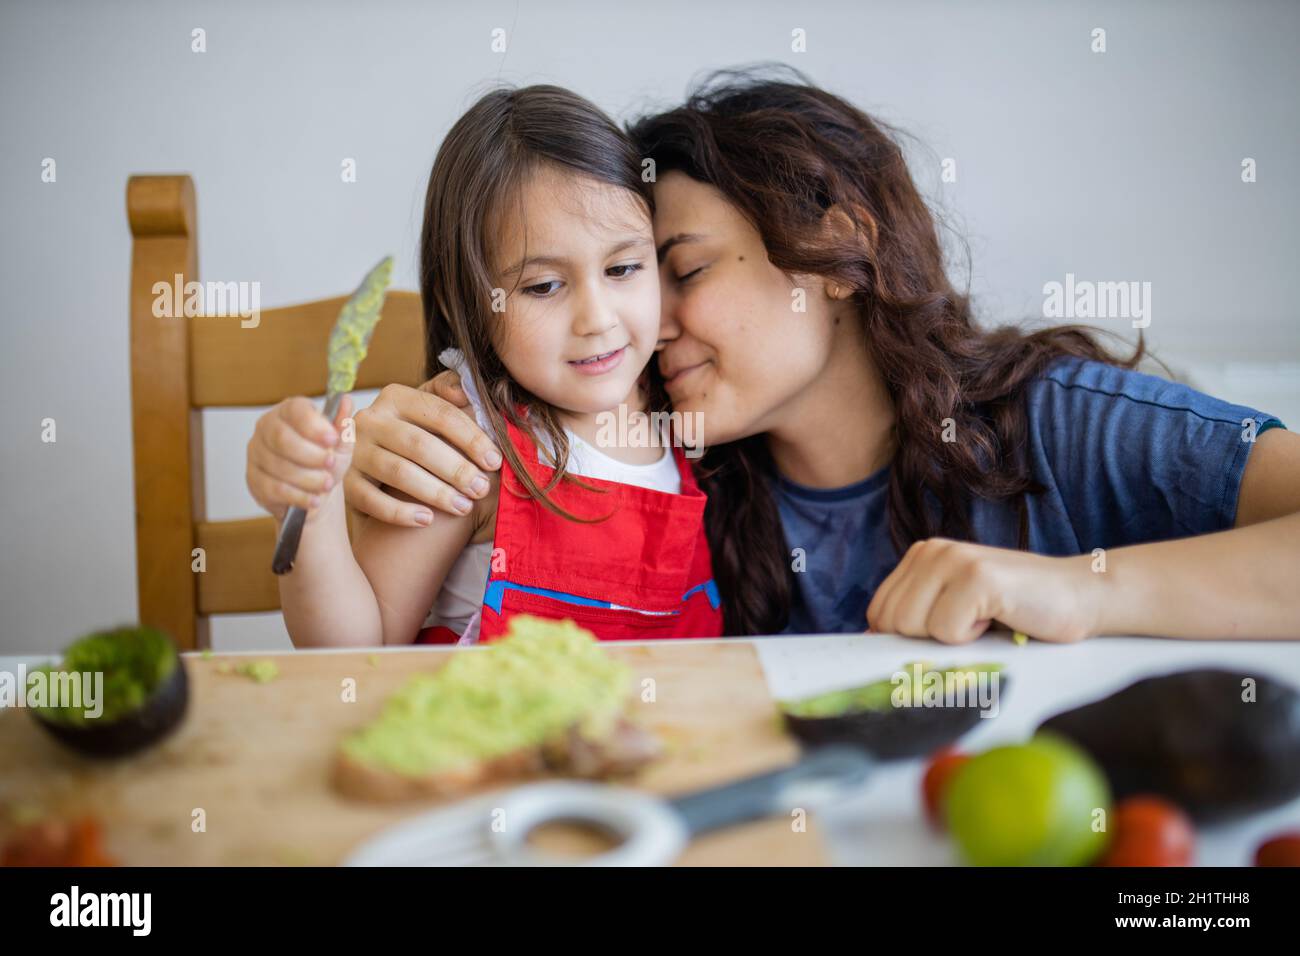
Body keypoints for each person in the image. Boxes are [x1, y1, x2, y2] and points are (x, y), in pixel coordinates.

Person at [340, 69, 1300, 643]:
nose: (642, 324)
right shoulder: (676, 471)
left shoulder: (1054, 425)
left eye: (678, 269)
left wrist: (1079, 589)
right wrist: (387, 450)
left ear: (837, 252)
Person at [244, 86, 721, 647]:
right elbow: (353, 647)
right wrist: (311, 517)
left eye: (623, 269)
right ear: (465, 303)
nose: (597, 318)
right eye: (544, 286)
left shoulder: (674, 395)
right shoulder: (467, 445)